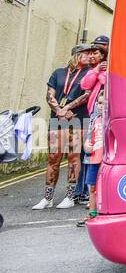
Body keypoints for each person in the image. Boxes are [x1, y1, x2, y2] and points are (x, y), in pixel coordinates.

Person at [33, 45, 95, 210]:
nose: (89, 56)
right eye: (86, 54)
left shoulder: (90, 73)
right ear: (76, 55)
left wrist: (67, 108)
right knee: (53, 158)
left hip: (78, 118)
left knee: (73, 157)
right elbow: (49, 95)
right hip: (57, 118)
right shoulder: (58, 73)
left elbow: (87, 94)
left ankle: (70, 196)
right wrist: (59, 110)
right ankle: (47, 198)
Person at [76, 48, 110, 228]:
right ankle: (92, 211)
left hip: (103, 151)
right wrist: (96, 72)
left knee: (104, 182)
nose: (92, 56)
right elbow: (85, 85)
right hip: (93, 151)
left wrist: (103, 74)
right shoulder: (92, 71)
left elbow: (108, 83)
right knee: (92, 183)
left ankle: (102, 212)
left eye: (96, 53)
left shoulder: (110, 69)